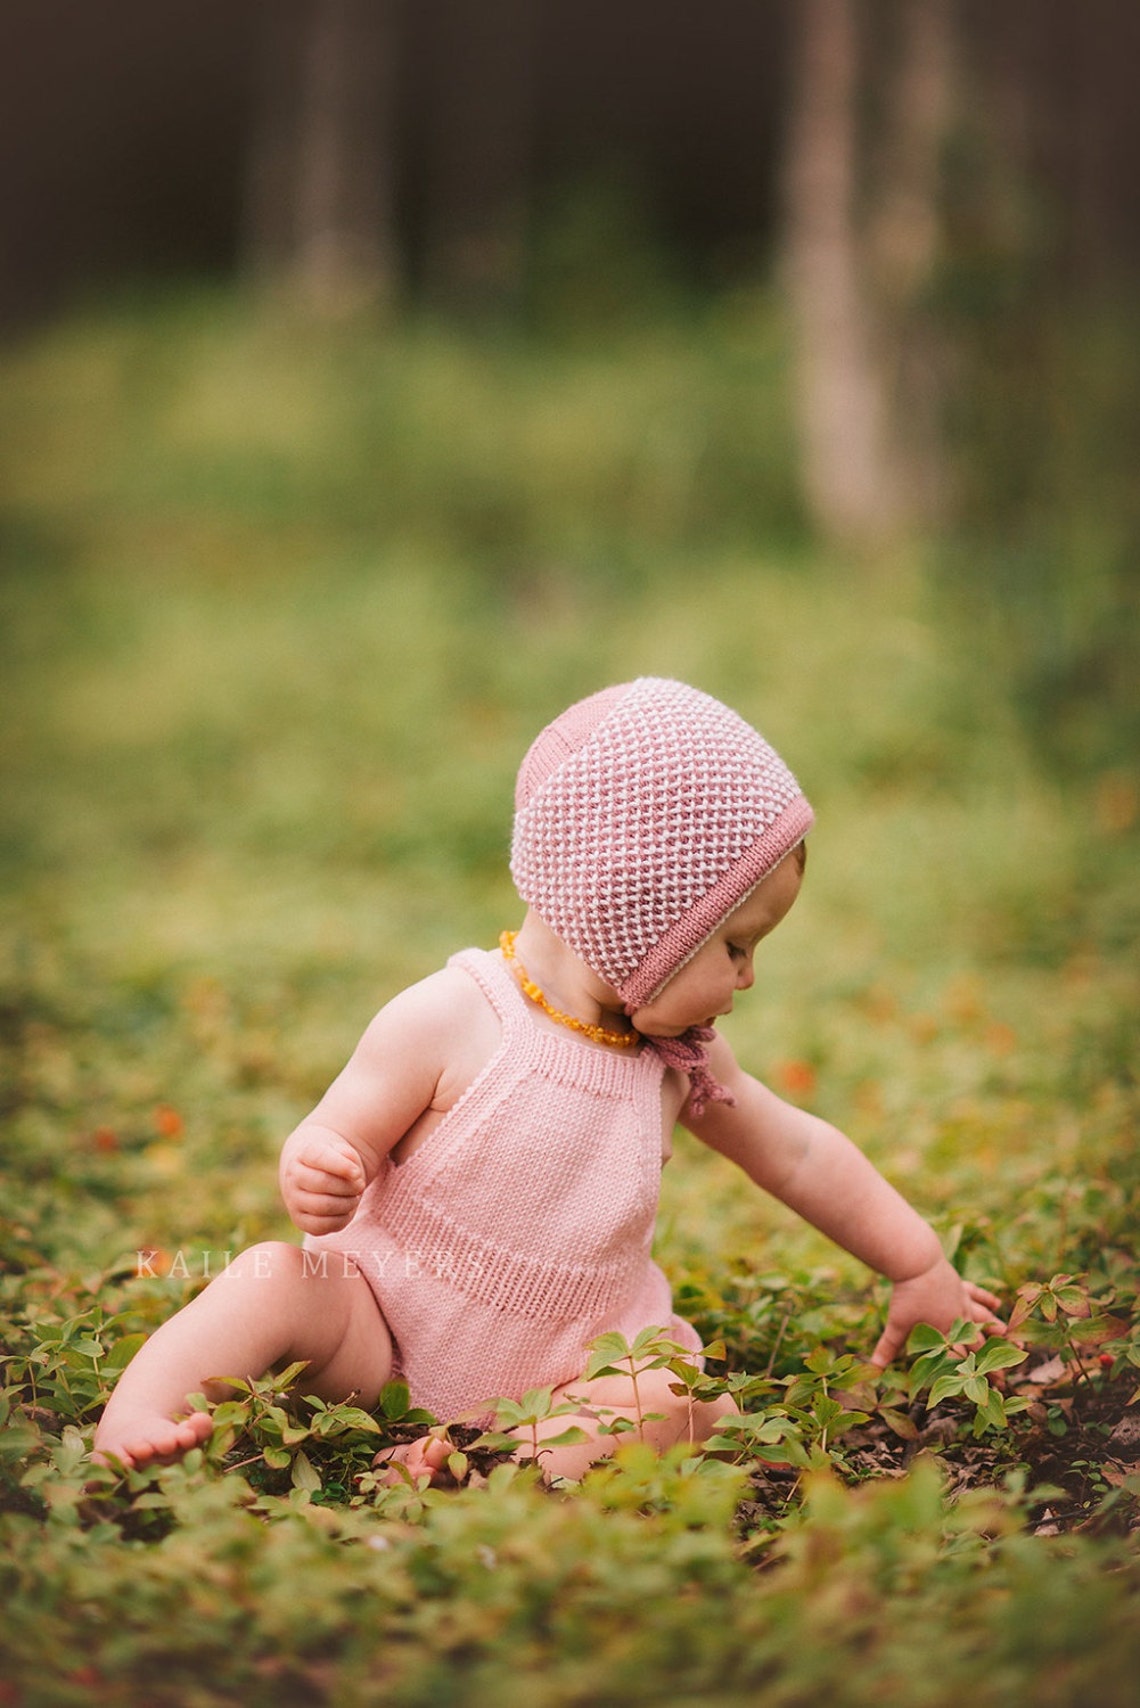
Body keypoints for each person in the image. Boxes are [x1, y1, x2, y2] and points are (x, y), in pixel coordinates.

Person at [93, 677, 1004, 1481]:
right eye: (735, 946)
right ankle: (138, 1415)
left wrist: (916, 1262)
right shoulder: (453, 1018)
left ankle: (483, 1470)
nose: (748, 977)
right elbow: (336, 1132)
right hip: (380, 1337)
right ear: (638, 913)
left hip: (576, 1370)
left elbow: (796, 1152)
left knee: (678, 1401)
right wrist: (321, 1161)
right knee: (274, 1277)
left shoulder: (678, 1060)